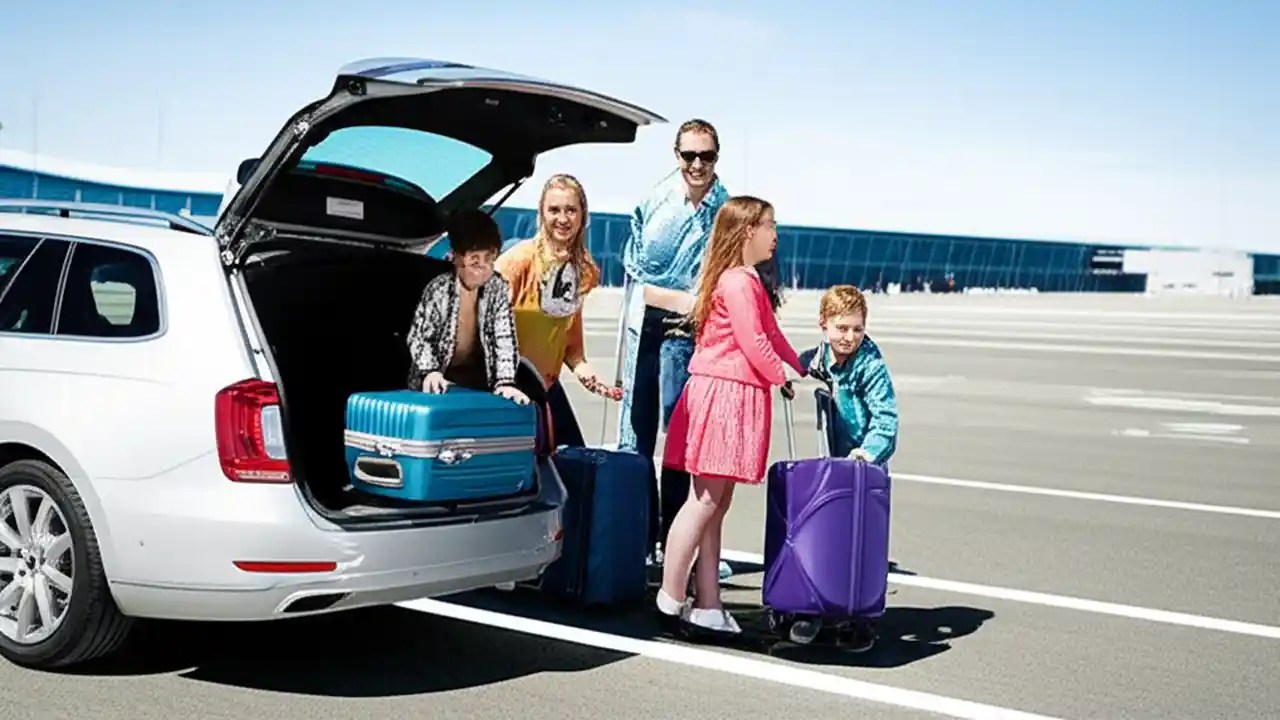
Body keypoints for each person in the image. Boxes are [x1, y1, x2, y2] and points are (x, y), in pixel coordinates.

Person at [655, 196, 804, 637]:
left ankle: (708, 603)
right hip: (723, 394)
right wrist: (784, 377)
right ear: (747, 232)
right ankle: (669, 598)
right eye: (769, 225)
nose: (775, 234)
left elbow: (771, 333)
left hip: (735, 394)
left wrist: (799, 365)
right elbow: (754, 342)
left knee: (715, 504)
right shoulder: (737, 283)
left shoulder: (749, 280)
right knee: (703, 501)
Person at [617, 118, 731, 574]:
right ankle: (642, 534)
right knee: (638, 434)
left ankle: (675, 537)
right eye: (690, 155)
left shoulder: (728, 209)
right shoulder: (655, 203)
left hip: (700, 333)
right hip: (651, 327)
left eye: (707, 156)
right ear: (676, 154)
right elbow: (641, 282)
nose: (698, 164)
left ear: (717, 156)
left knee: (687, 443)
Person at [789, 283, 900, 648]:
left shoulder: (871, 366)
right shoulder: (823, 355)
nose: (849, 337)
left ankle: (862, 617)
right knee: (829, 538)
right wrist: (786, 376)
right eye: (841, 328)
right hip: (836, 466)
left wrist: (868, 453)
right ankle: (820, 607)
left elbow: (886, 419)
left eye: (857, 328)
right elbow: (801, 362)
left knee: (864, 544)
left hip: (865, 467)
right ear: (824, 325)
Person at [496, 174, 616, 445]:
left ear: (582, 216)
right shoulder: (517, 263)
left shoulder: (581, 270)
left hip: (546, 386)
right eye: (554, 210)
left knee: (574, 461)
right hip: (508, 388)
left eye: (571, 210)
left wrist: (587, 373)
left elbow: (570, 345)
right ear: (541, 213)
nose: (563, 219)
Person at [406, 208, 530, 406]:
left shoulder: (497, 287)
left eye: (489, 259)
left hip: (475, 378)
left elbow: (504, 336)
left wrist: (505, 381)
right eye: (474, 260)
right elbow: (420, 337)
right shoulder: (439, 289)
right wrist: (430, 371)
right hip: (435, 380)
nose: (483, 268)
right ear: (456, 258)